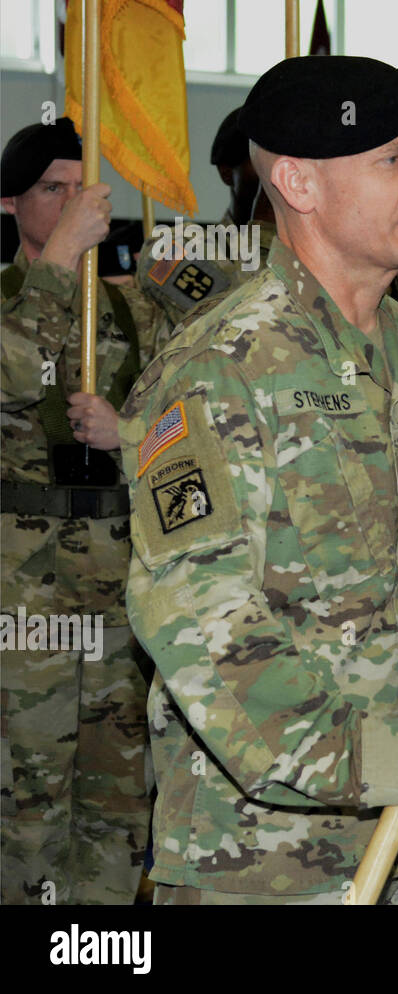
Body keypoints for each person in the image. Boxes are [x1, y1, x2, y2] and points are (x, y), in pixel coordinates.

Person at [120, 49, 398, 905]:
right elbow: (201, 625)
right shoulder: (220, 370)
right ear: (299, 183)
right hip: (265, 863)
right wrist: (378, 760)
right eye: (393, 159)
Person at [1, 116, 163, 903]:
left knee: (118, 793)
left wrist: (129, 435)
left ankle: (97, 947)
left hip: (118, 586)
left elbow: (188, 432)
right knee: (28, 796)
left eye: (81, 188)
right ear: (9, 205)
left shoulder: (129, 311)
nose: (74, 202)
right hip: (24, 592)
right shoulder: (7, 300)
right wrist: (61, 255)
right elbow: (12, 379)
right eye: (51, 190)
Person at [138, 105, 276, 326]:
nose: (281, 174)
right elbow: (239, 324)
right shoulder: (173, 248)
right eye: (263, 163)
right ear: (227, 172)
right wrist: (266, 230)